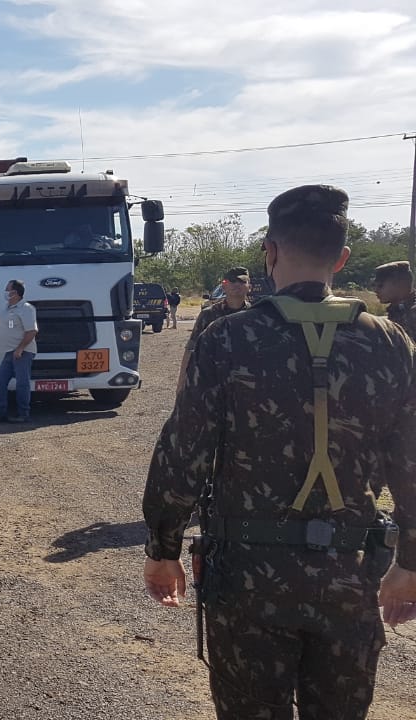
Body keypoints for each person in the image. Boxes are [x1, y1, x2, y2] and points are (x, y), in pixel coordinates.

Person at [141, 185, 416, 719]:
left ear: (269, 252)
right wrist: (411, 560)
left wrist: (162, 546)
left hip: (247, 579)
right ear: (342, 258)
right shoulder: (389, 343)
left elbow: (184, 452)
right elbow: (411, 462)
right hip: (349, 574)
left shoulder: (226, 338)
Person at [176, 267, 251, 393]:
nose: (237, 285)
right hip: (213, 386)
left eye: (242, 281)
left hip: (246, 387)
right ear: (224, 286)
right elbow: (191, 350)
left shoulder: (255, 316)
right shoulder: (208, 315)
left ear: (250, 287)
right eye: (232, 281)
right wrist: (181, 386)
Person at [0, 279, 38, 423]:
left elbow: (32, 331)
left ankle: (23, 414)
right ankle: (0, 413)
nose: (6, 292)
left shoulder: (26, 309)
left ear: (15, 293)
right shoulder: (9, 308)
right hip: (9, 352)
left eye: (8, 290)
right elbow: (3, 320)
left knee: (22, 383)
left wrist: (20, 349)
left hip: (22, 352)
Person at [373, 260, 416, 339]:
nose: (375, 290)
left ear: (400, 284)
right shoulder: (398, 310)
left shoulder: (412, 312)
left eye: (380, 285)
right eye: (374, 285)